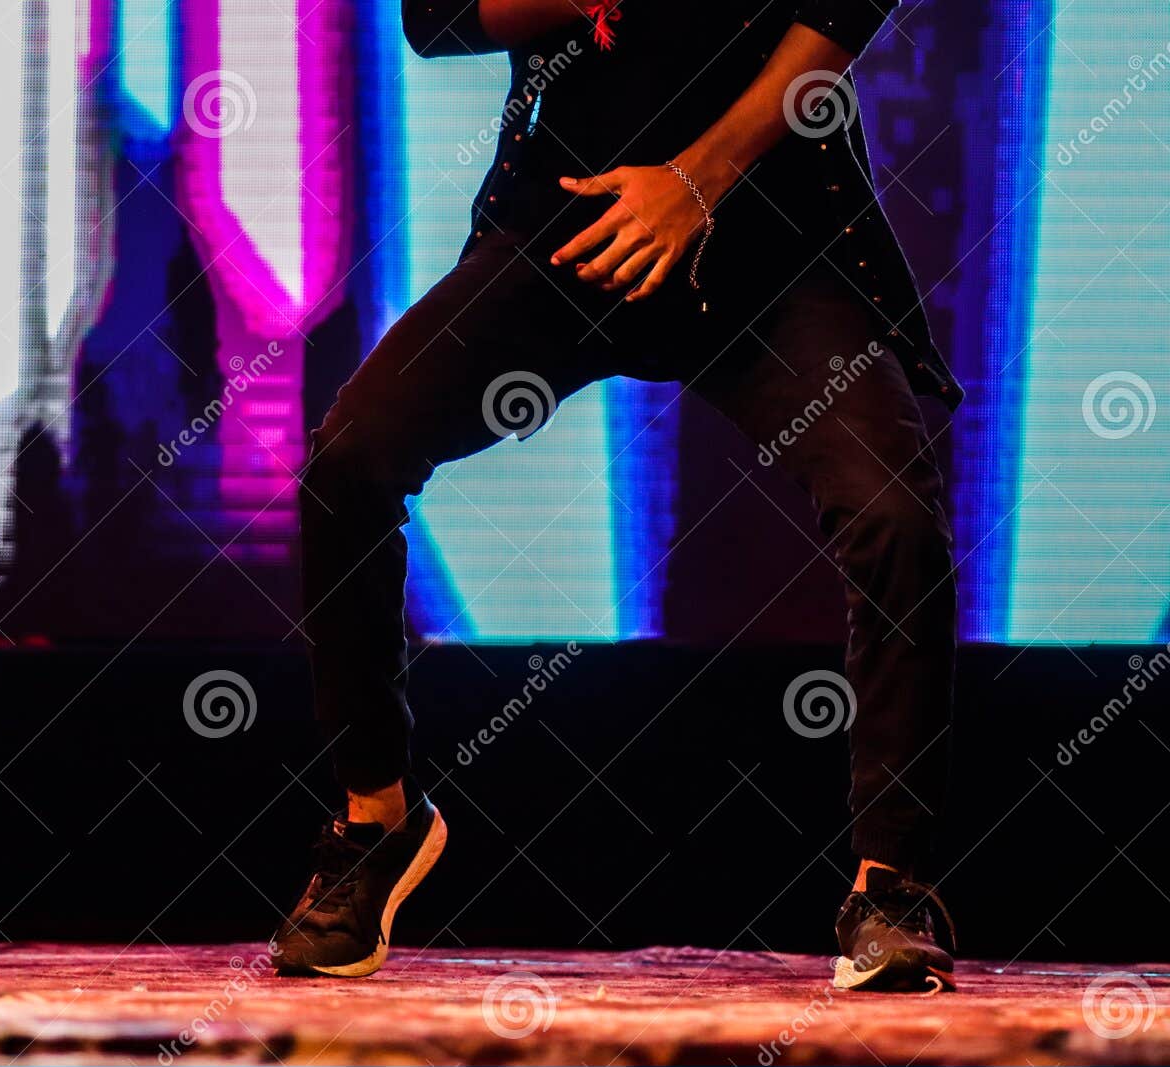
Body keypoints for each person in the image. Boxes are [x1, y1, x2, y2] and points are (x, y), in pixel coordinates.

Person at [272, 0, 960, 992]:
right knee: (347, 463)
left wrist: (697, 178)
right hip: (562, 230)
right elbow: (436, 18)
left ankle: (889, 884)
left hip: (770, 249)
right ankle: (378, 823)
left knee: (893, 515)